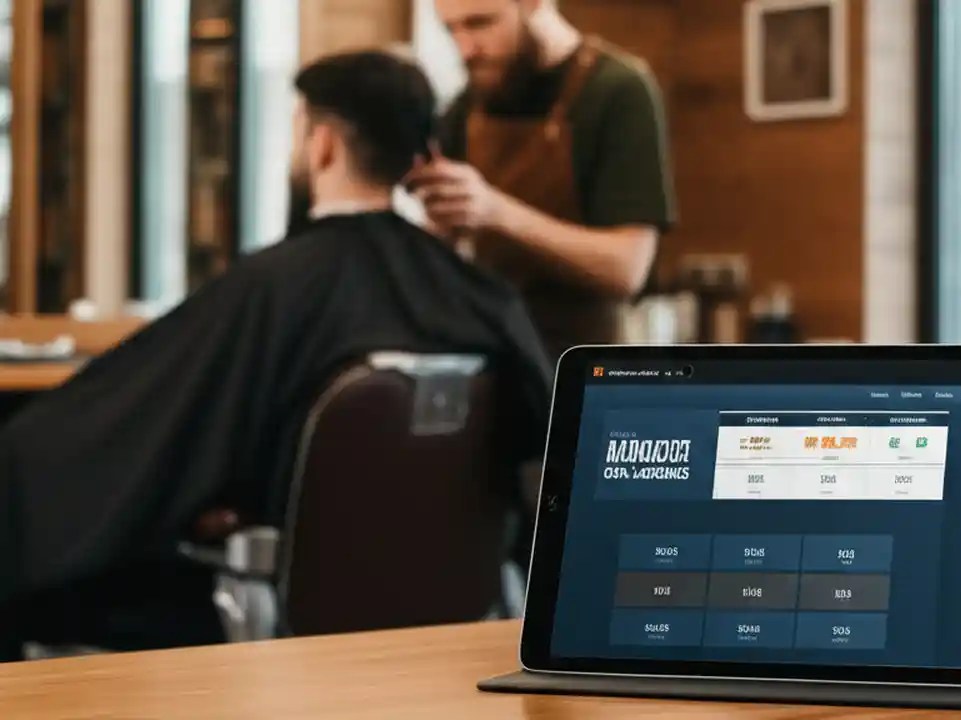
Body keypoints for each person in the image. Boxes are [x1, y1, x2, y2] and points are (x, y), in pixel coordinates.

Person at [0, 51, 550, 657]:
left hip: (277, 587)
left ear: (321, 146)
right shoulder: (477, 297)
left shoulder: (273, 290)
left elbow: (157, 437)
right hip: (450, 604)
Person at [412, 0, 677, 360]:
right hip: (493, 361)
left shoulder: (616, 91)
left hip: (583, 367)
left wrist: (496, 211)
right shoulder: (465, 109)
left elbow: (626, 268)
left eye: (479, 24)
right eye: (450, 30)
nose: (465, 49)